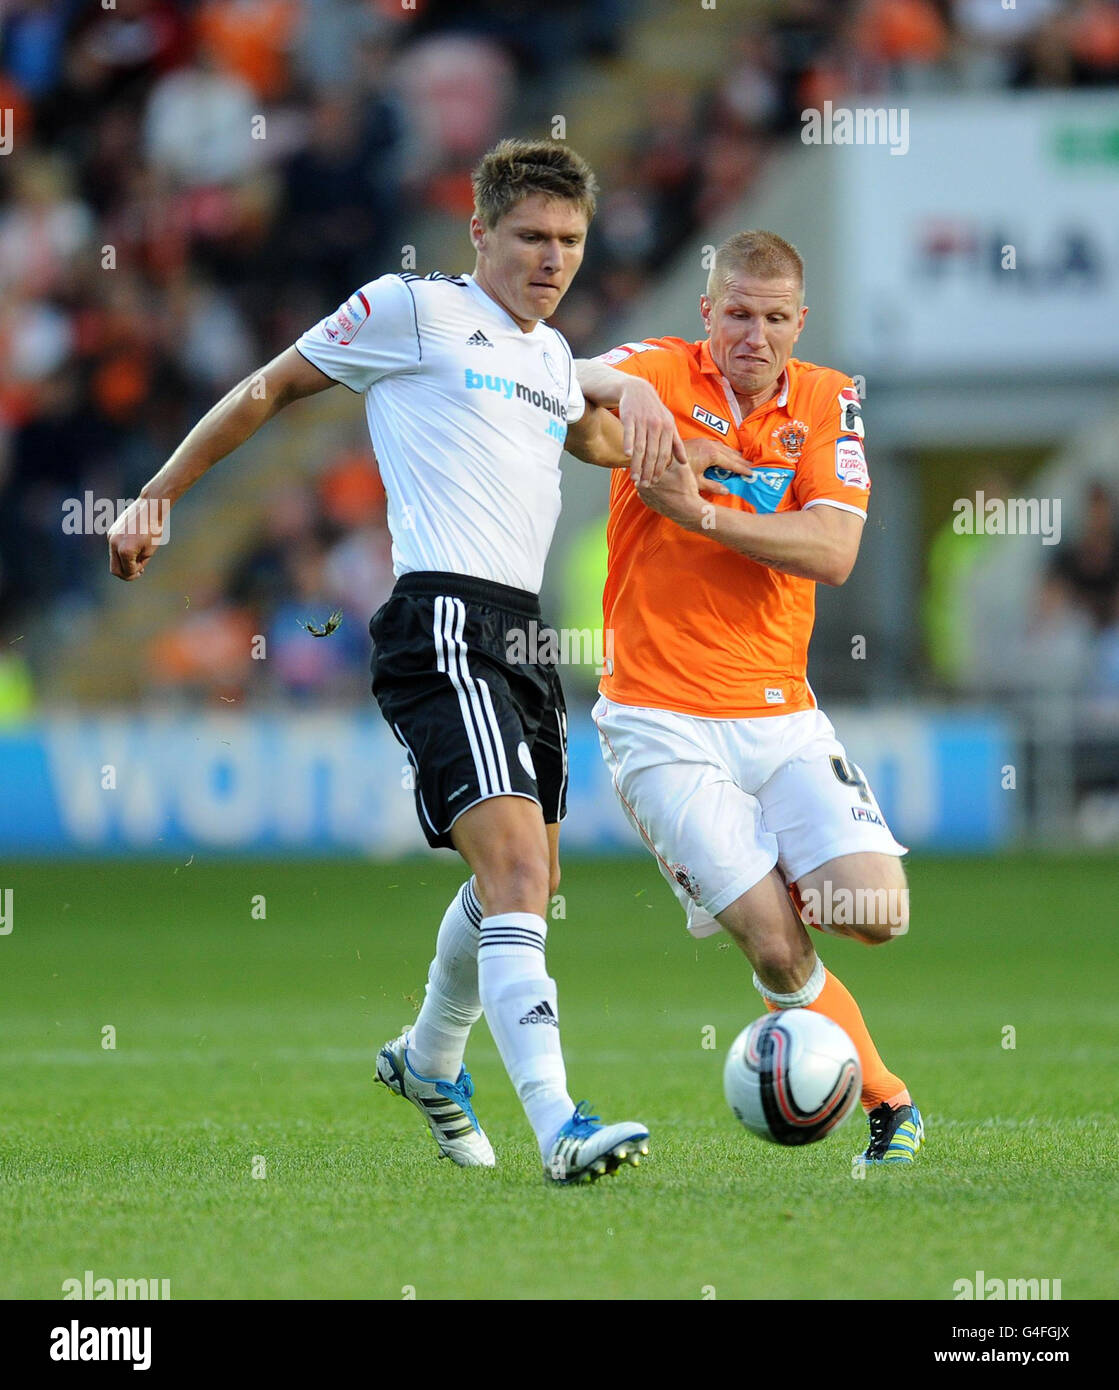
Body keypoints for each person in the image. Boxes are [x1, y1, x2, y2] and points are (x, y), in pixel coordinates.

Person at [107, 138, 734, 1185]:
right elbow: (269, 388)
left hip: (521, 637)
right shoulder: (409, 309)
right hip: (440, 620)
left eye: (570, 240)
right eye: (530, 236)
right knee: (521, 872)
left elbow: (589, 428)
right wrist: (157, 495)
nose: (551, 258)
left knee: (521, 883)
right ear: (479, 232)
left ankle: (430, 1058)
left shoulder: (546, 355)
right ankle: (560, 1124)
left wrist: (664, 424)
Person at [573, 229, 924, 1163]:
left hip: (780, 715)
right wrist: (631, 397)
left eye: (774, 318)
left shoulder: (827, 398)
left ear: (798, 323)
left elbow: (833, 550)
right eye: (737, 313)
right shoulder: (657, 365)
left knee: (875, 913)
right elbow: (564, 390)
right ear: (707, 312)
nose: (754, 334)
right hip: (658, 720)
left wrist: (702, 514)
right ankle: (887, 1100)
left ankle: (763, 904)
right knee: (774, 948)